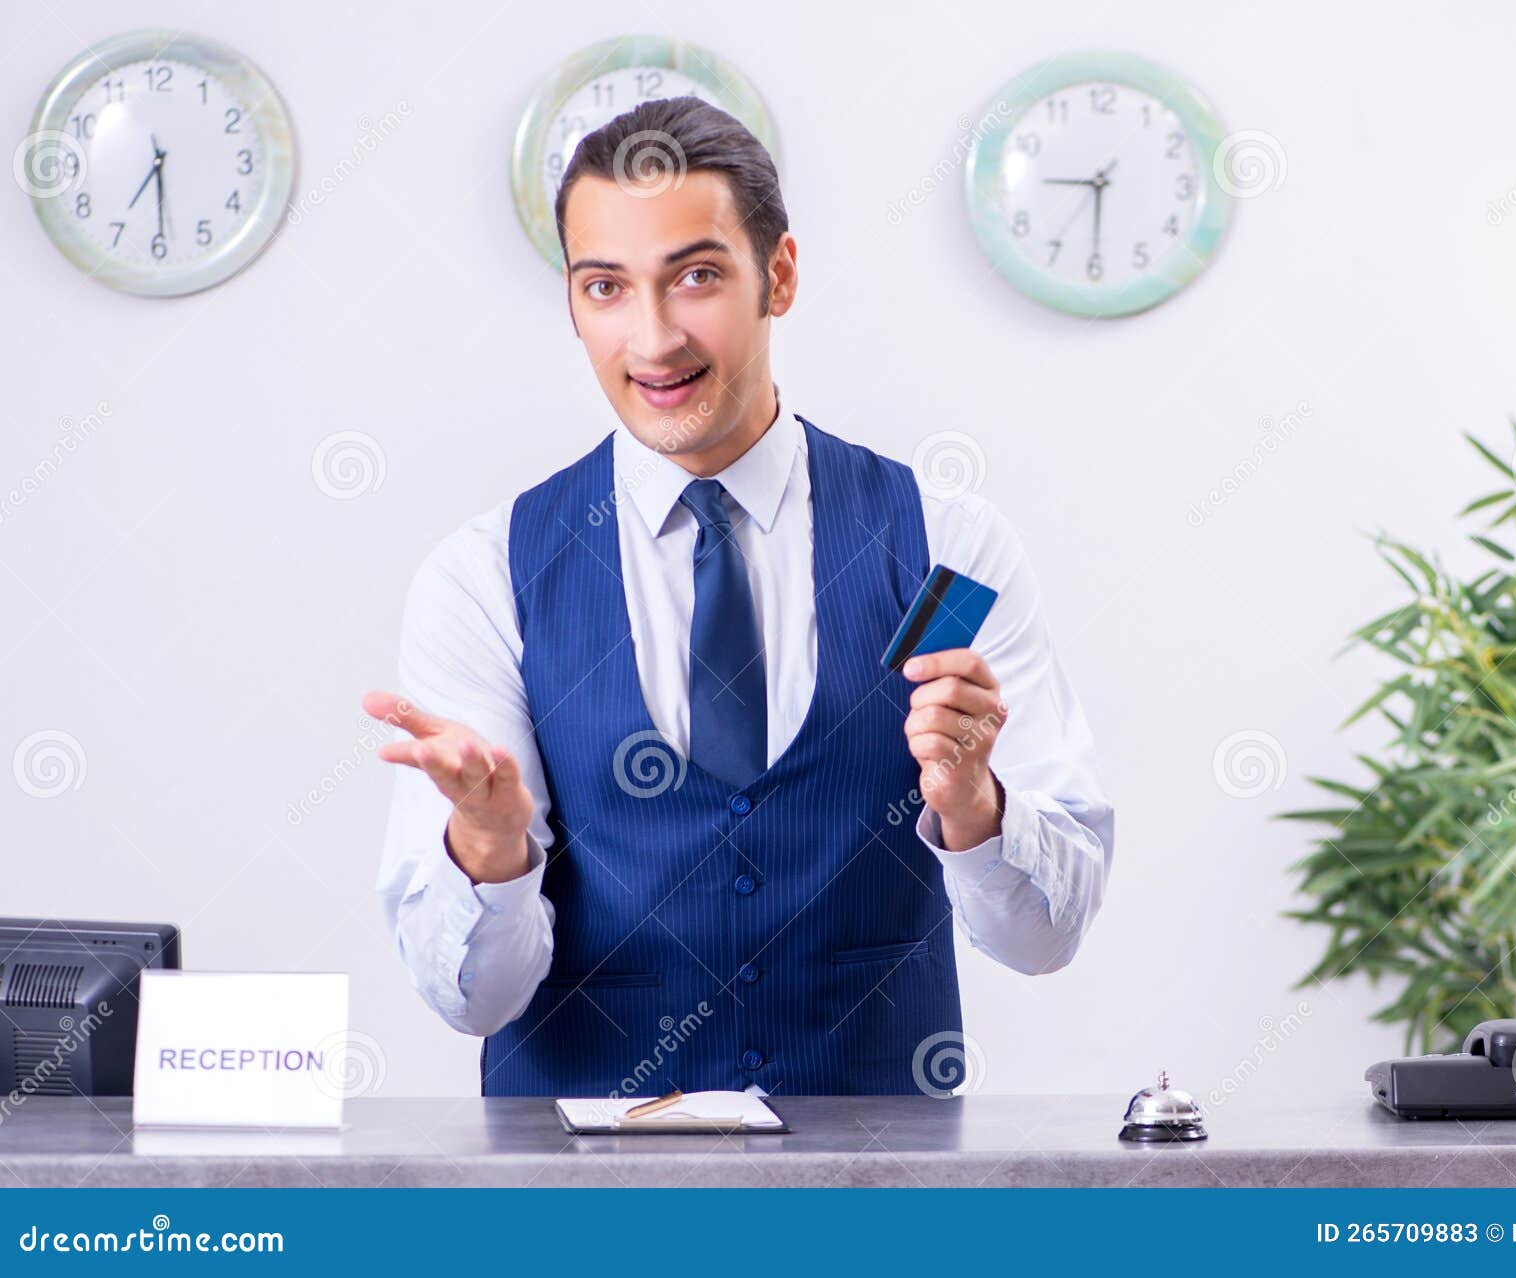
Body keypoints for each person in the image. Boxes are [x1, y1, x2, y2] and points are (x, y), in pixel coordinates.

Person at [368, 95, 1114, 1097]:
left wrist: (975, 804)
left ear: (780, 275)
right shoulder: (484, 576)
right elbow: (473, 1002)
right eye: (605, 287)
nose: (653, 339)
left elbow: (1045, 941)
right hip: (577, 1177)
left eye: (697, 277)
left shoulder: (948, 548)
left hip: (874, 1169)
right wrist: (491, 849)